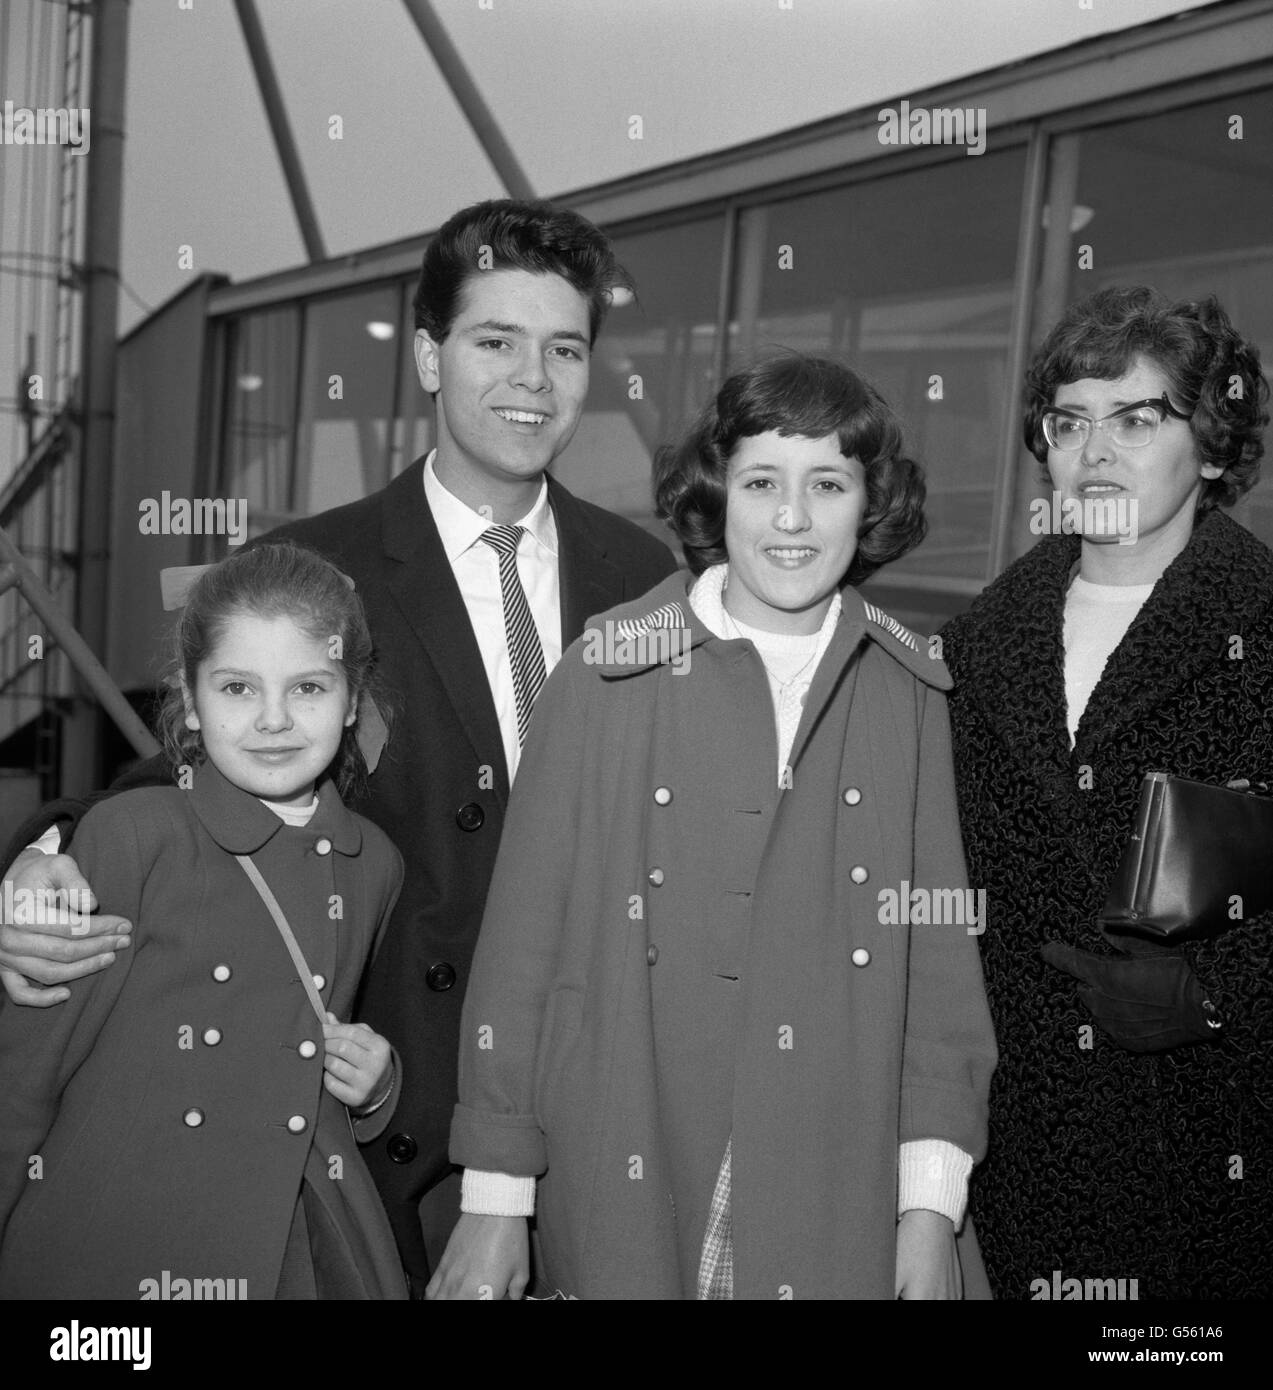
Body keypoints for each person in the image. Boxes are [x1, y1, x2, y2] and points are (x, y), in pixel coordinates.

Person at [0, 199, 679, 1292]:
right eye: (495, 341)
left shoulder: (647, 580)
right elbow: (184, 772)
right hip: (391, 1124)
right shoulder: (313, 567)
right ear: (428, 356)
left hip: (590, 1119)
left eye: (564, 349)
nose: (533, 379)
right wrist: (50, 852)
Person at [428, 353, 998, 1300]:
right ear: (715, 492)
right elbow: (521, 952)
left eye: (827, 484)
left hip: (838, 1189)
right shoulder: (607, 674)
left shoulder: (906, 692)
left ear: (870, 504)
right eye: (761, 482)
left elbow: (938, 978)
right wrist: (494, 1199)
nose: (791, 518)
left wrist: (929, 1212)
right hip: (627, 1166)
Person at [941, 286, 1273, 1298]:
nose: (1094, 450)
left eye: (1135, 420)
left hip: (1208, 1140)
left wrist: (1218, 993)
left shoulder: (1260, 630)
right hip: (1013, 1140)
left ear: (1210, 448)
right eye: (1069, 421)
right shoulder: (972, 646)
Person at [0, 543, 406, 1299]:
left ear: (353, 702)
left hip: (298, 1242)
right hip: (118, 1246)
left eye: (309, 688)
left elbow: (310, 1056)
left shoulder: (372, 863)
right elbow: (24, 1075)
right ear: (191, 700)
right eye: (238, 688)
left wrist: (378, 1086)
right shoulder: (135, 836)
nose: (274, 720)